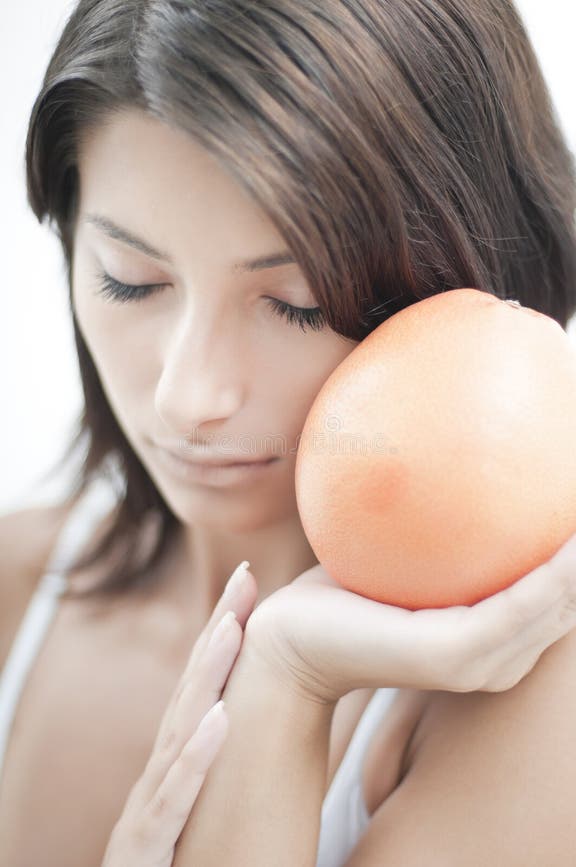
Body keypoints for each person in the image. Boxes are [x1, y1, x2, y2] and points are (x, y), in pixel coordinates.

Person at [1, 0, 576, 864]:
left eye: (296, 303)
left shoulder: (533, 708)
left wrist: (288, 675)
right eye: (128, 281)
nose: (188, 397)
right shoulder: (14, 583)